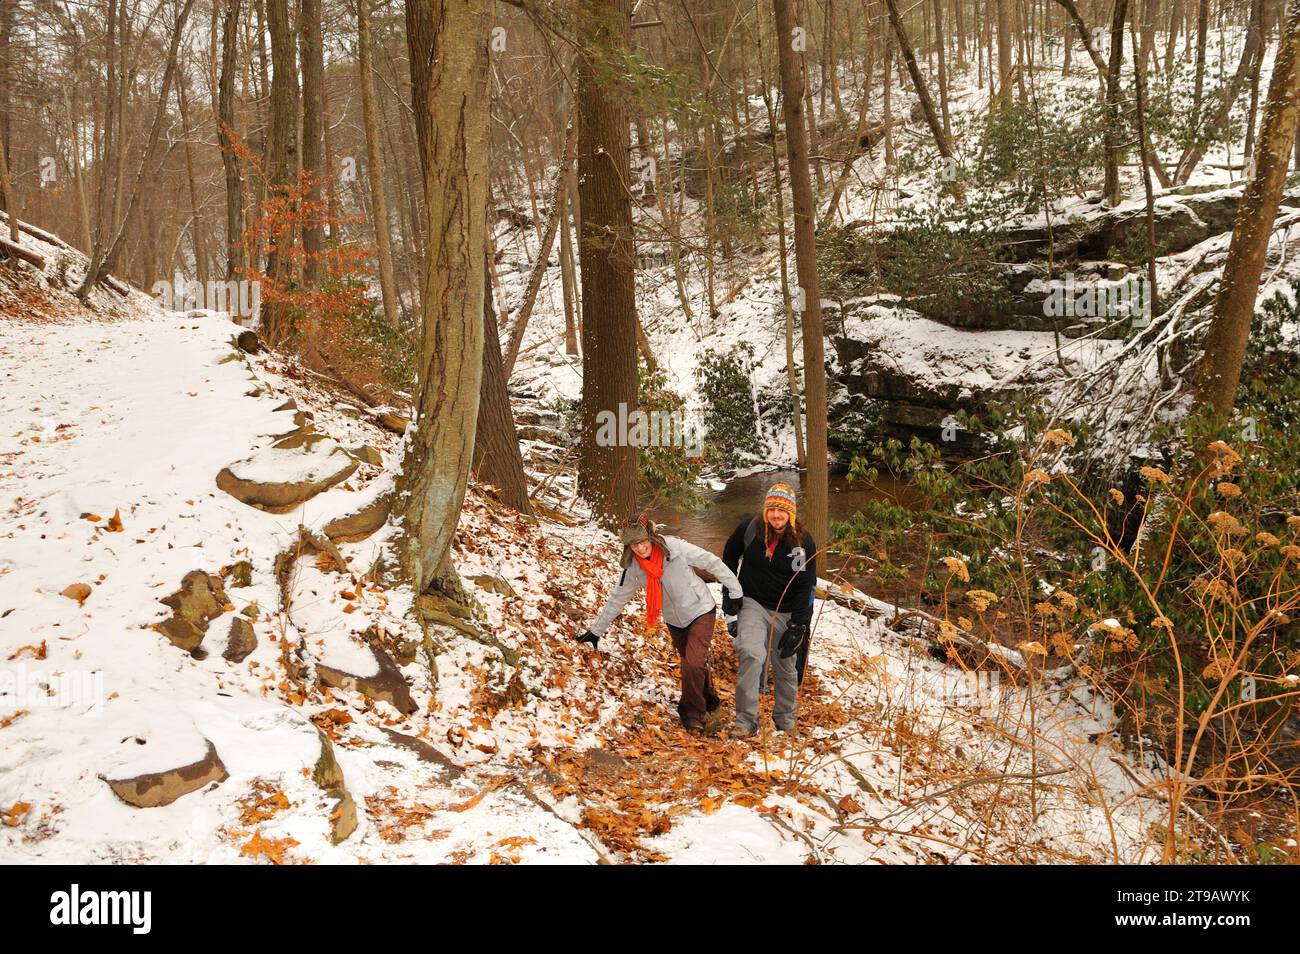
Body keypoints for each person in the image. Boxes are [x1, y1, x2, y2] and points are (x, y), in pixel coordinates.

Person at [576, 516, 744, 734]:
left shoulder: (675, 549)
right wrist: (596, 631)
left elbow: (710, 561)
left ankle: (692, 714)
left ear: (652, 537)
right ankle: (710, 699)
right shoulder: (633, 568)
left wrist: (735, 590)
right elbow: (617, 598)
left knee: (692, 663)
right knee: (694, 663)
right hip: (674, 621)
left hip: (700, 609)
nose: (641, 547)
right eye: (634, 544)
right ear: (629, 546)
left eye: (643, 541)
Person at [722, 482, 817, 739]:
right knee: (752, 654)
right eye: (772, 509)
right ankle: (745, 721)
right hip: (753, 602)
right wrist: (729, 593)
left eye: (782, 511)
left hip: (785, 611)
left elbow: (805, 586)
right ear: (765, 511)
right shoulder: (750, 530)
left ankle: (785, 721)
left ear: (791, 513)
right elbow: (729, 556)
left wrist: (799, 626)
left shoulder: (801, 542)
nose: (777, 515)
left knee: (786, 665)